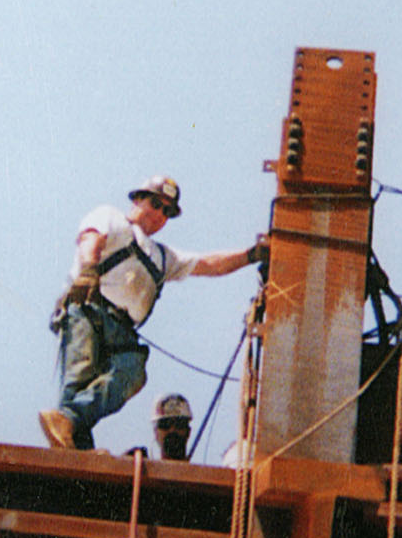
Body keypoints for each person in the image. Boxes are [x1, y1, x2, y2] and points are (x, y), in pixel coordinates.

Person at [40, 176, 264, 451]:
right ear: (137, 200)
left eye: (167, 211)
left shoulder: (161, 257)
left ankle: (69, 423)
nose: (159, 214)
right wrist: (87, 271)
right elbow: (91, 239)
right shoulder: (112, 218)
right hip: (89, 310)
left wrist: (251, 255)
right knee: (80, 379)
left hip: (122, 330)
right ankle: (75, 446)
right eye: (156, 204)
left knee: (131, 372)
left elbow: (209, 264)